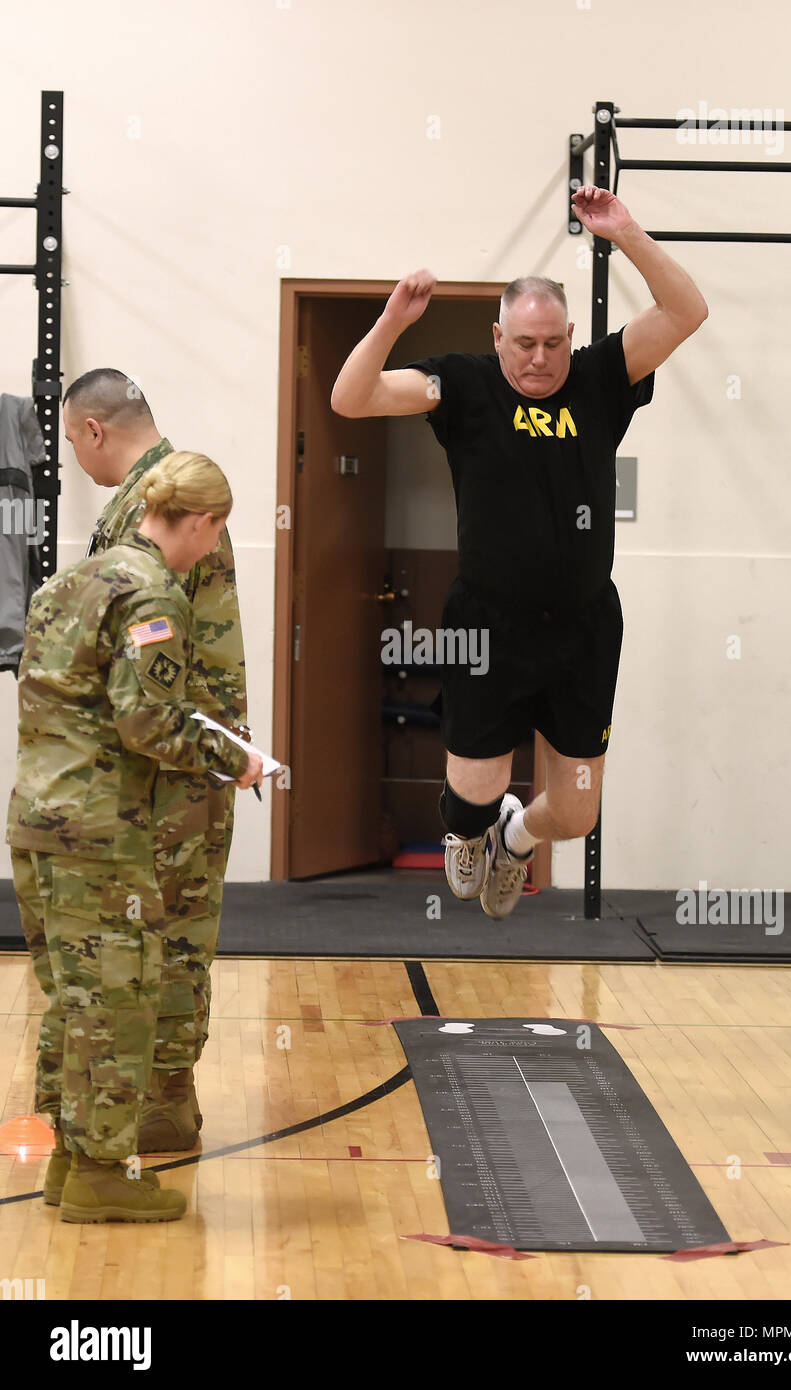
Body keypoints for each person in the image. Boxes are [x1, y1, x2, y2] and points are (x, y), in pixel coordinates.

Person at [331, 185, 708, 919]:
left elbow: (686, 312)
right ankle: (472, 829)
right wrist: (388, 323)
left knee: (574, 814)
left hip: (583, 626)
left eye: (552, 343)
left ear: (570, 336)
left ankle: (518, 833)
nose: (539, 359)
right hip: (486, 624)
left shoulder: (603, 377)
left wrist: (625, 232)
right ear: (497, 336)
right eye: (523, 343)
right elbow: (352, 398)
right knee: (470, 794)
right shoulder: (464, 384)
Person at [6, 451, 263, 1222]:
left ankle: (68, 1162)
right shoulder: (152, 592)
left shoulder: (73, 578)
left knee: (70, 1001)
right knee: (117, 1000)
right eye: (213, 538)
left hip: (37, 821)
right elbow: (147, 718)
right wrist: (236, 759)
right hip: (100, 831)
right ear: (205, 524)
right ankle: (99, 1174)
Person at [61, 371, 247, 1151]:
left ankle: (168, 1099)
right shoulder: (148, 497)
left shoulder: (167, 503)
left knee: (171, 931)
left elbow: (142, 661)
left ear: (97, 430)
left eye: (73, 441)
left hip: (177, 761)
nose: (76, 458)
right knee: (154, 928)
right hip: (166, 755)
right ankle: (156, 1093)